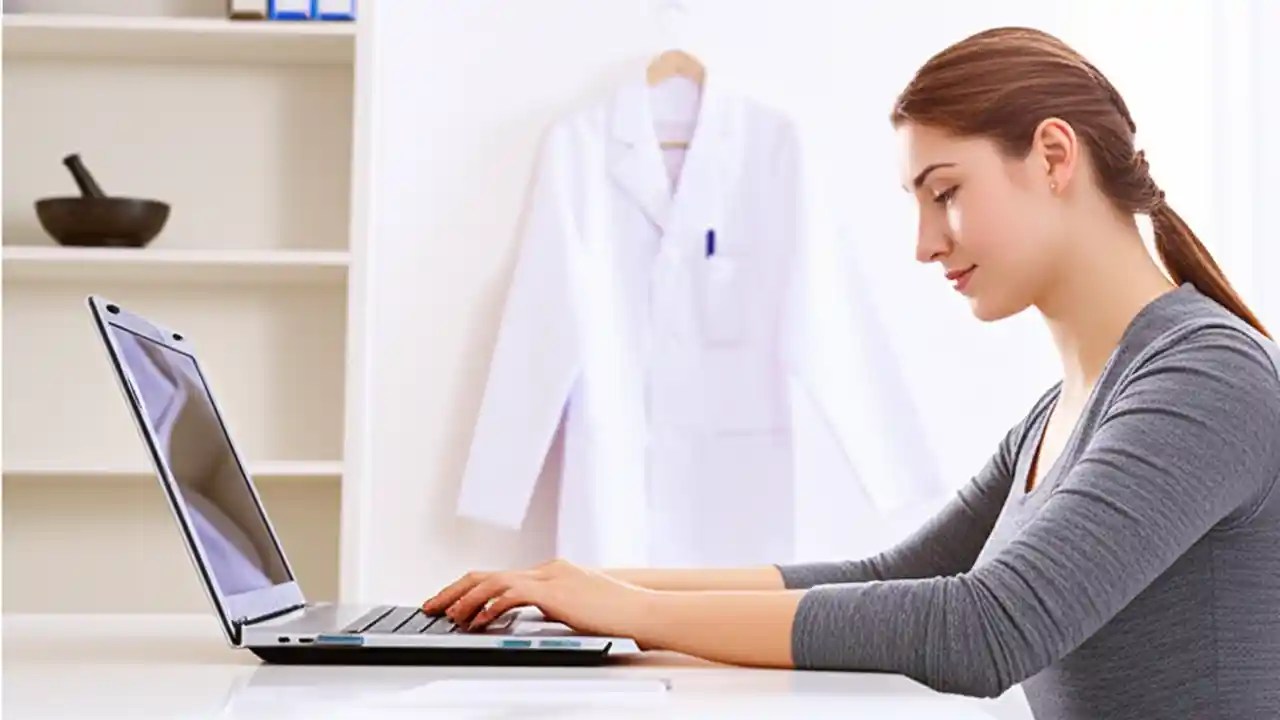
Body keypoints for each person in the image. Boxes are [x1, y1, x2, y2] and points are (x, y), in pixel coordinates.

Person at [423, 26, 1280, 719]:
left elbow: (989, 628)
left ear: (1054, 156)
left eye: (945, 192)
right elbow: (891, 575)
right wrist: (586, 586)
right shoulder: (1066, 409)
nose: (925, 244)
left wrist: (636, 614)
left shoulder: (1205, 379)